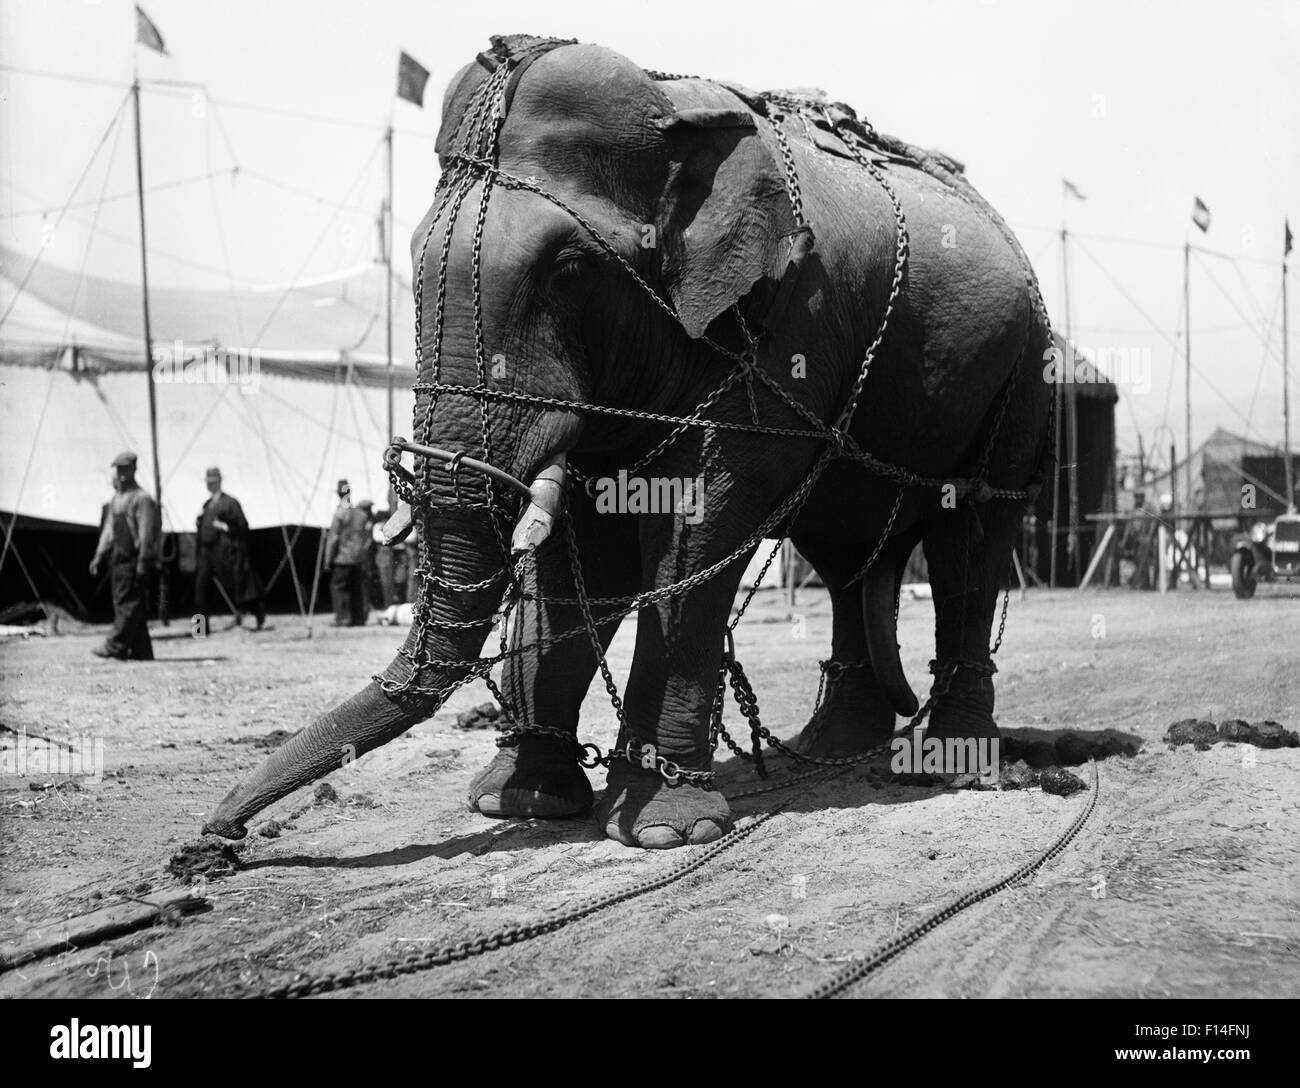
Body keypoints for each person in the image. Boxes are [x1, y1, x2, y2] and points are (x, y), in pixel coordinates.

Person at [89, 451, 160, 660]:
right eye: (117, 469)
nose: (120, 473)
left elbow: (146, 534)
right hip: (118, 559)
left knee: (128, 604)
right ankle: (141, 650)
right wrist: (98, 555)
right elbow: (109, 530)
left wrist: (143, 563)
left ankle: (115, 646)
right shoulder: (116, 499)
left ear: (134, 469)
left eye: (124, 469)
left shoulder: (142, 499)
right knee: (128, 603)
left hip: (134, 560)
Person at [194, 467, 266, 632]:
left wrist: (225, 526)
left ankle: (256, 612)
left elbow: (242, 525)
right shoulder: (206, 504)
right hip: (207, 551)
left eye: (213, 482)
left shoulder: (230, 503)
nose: (210, 485)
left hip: (224, 551)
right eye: (208, 482)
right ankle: (199, 629)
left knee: (237, 584)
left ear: (219, 482)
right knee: (200, 589)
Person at [324, 482, 370, 626]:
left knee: (338, 587)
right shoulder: (361, 515)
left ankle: (343, 618)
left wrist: (327, 559)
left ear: (338, 494)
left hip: (343, 558)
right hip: (357, 558)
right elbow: (367, 539)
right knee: (356, 587)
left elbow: (333, 538)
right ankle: (358, 618)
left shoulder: (339, 514)